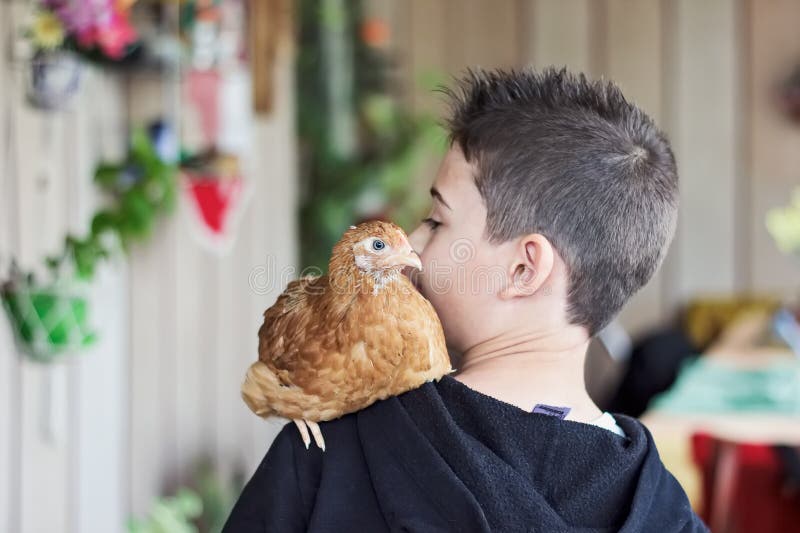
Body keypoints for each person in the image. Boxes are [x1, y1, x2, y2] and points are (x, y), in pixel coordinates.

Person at [222, 66, 709, 532]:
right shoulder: (670, 517)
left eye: (436, 220)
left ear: (523, 269)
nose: (412, 239)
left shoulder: (332, 454)